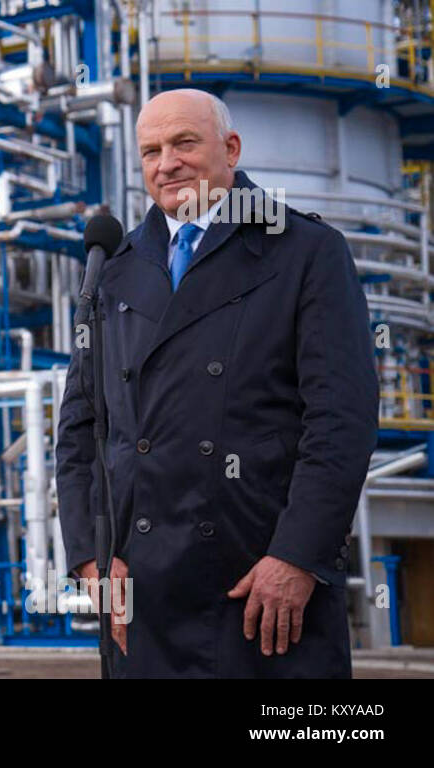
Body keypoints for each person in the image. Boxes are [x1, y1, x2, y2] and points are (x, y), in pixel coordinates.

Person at [56, 89, 378, 677]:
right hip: (143, 597)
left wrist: (297, 556)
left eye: (184, 143)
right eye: (150, 151)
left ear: (230, 149)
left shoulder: (304, 250)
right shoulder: (114, 270)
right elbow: (80, 431)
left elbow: (342, 419)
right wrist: (90, 559)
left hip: (260, 589)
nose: (166, 163)